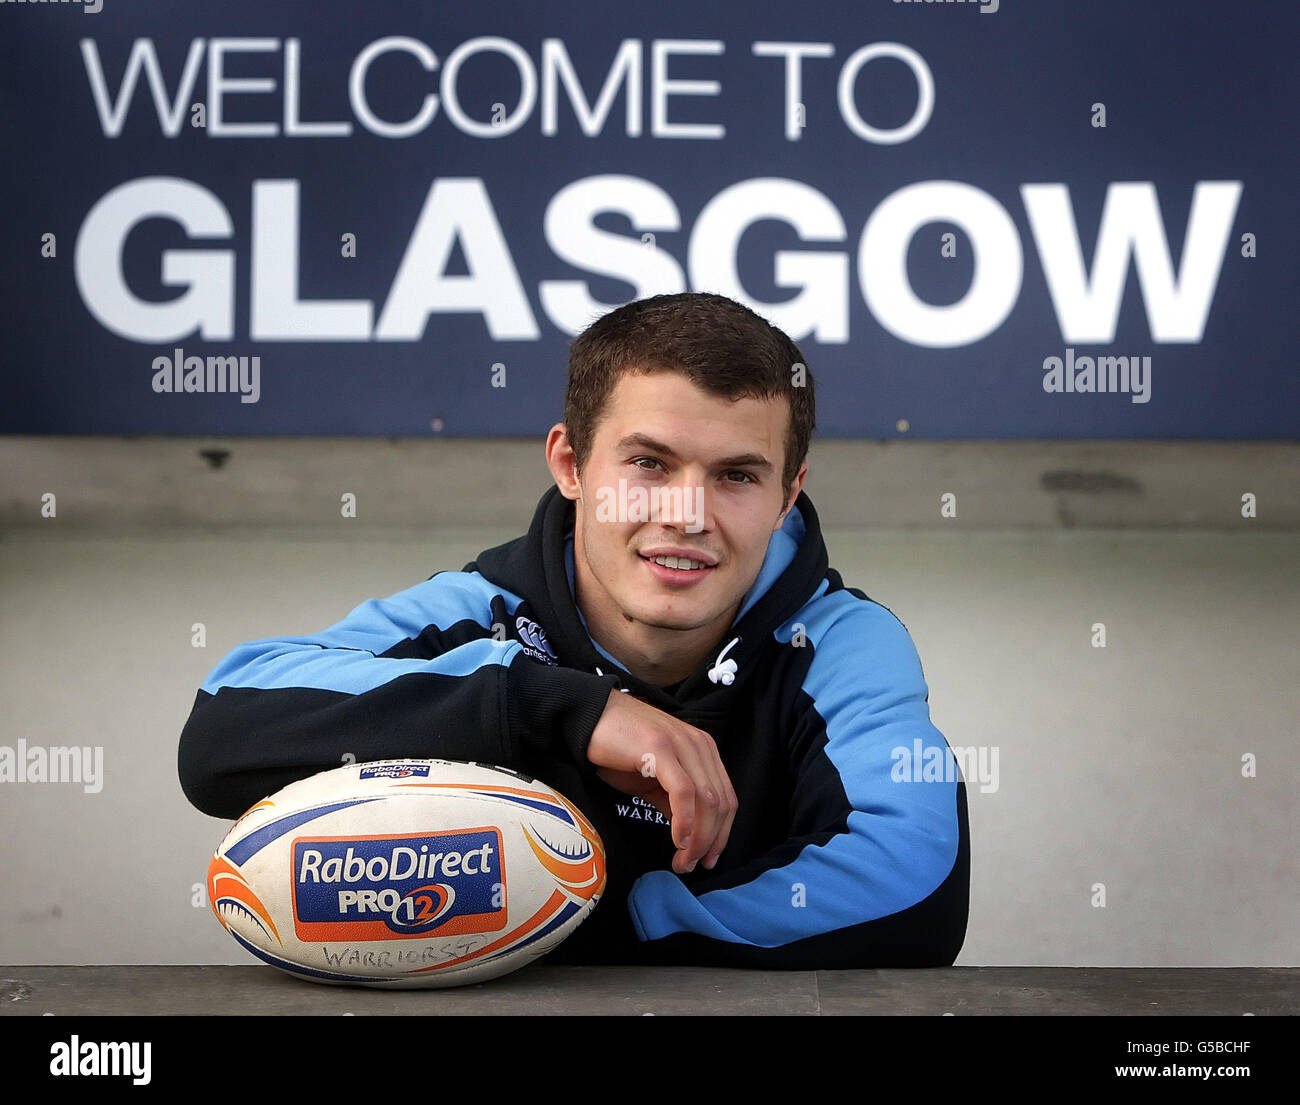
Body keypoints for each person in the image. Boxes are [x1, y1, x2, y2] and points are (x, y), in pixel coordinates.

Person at [178, 291, 969, 967]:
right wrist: (563, 709)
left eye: (736, 475)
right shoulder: (477, 610)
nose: (686, 517)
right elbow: (224, 722)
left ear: (788, 494)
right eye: (649, 464)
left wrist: (596, 916)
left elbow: (914, 886)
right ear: (570, 464)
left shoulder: (840, 641)